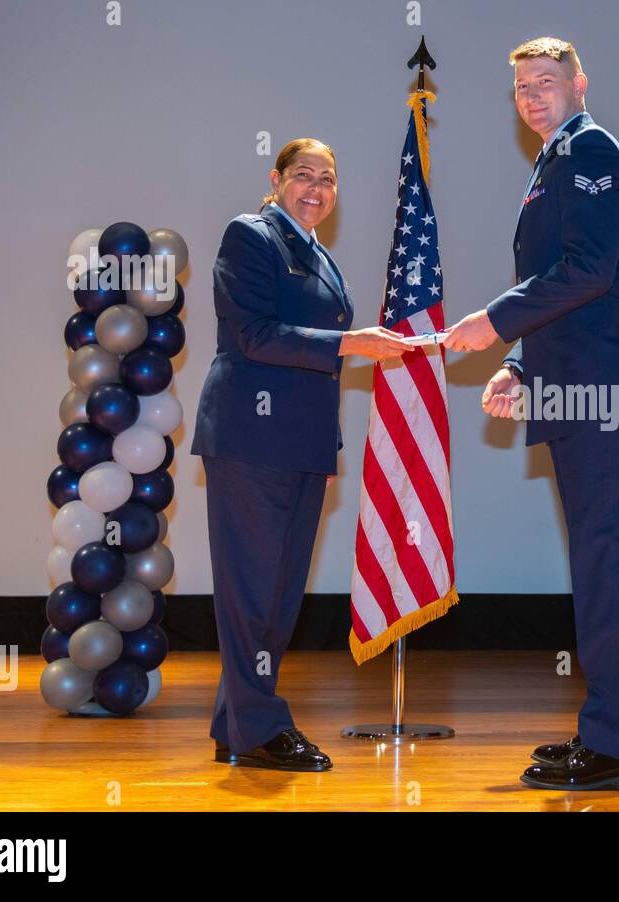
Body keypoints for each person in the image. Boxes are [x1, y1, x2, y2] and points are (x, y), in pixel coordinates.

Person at [444, 37, 619, 791]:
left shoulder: (592, 149)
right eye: (521, 86)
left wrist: (496, 322)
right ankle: (611, 728)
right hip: (579, 383)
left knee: (607, 562)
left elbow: (587, 270)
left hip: (606, 388)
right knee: (598, 562)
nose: (533, 95)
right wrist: (519, 364)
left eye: (546, 80)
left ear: (580, 83)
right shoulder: (552, 161)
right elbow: (570, 284)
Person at [191, 138, 411, 771]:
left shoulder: (318, 256)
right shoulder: (251, 236)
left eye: (328, 179)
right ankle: (260, 731)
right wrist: (350, 342)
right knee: (253, 590)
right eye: (303, 176)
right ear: (277, 179)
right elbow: (253, 334)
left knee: (279, 593)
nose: (316, 188)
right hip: (251, 441)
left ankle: (234, 724)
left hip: (302, 446)